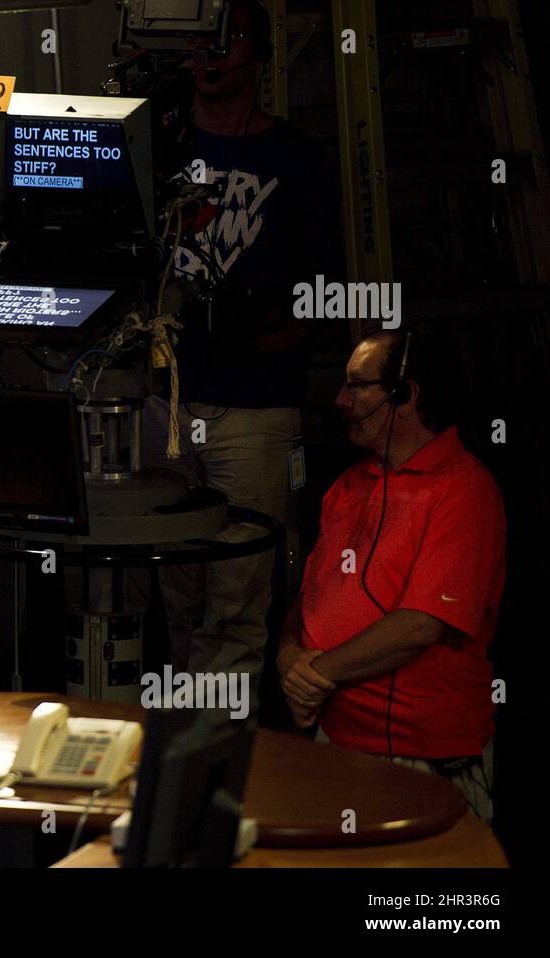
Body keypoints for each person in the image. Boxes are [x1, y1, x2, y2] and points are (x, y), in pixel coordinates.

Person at [140, 0, 341, 690]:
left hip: (254, 407)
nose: (211, 55)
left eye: (228, 40)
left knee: (238, 595)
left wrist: (282, 330)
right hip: (166, 402)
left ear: (259, 56)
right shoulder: (160, 148)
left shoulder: (296, 160)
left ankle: (213, 768)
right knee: (177, 585)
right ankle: (182, 757)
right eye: (198, 42)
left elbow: (329, 285)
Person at [278, 330, 504, 825]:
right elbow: (310, 596)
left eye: (357, 386)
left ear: (405, 394)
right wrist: (289, 656)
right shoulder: (348, 484)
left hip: (422, 759)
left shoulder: (465, 490)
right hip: (333, 741)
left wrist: (313, 676)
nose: (342, 400)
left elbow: (420, 626)